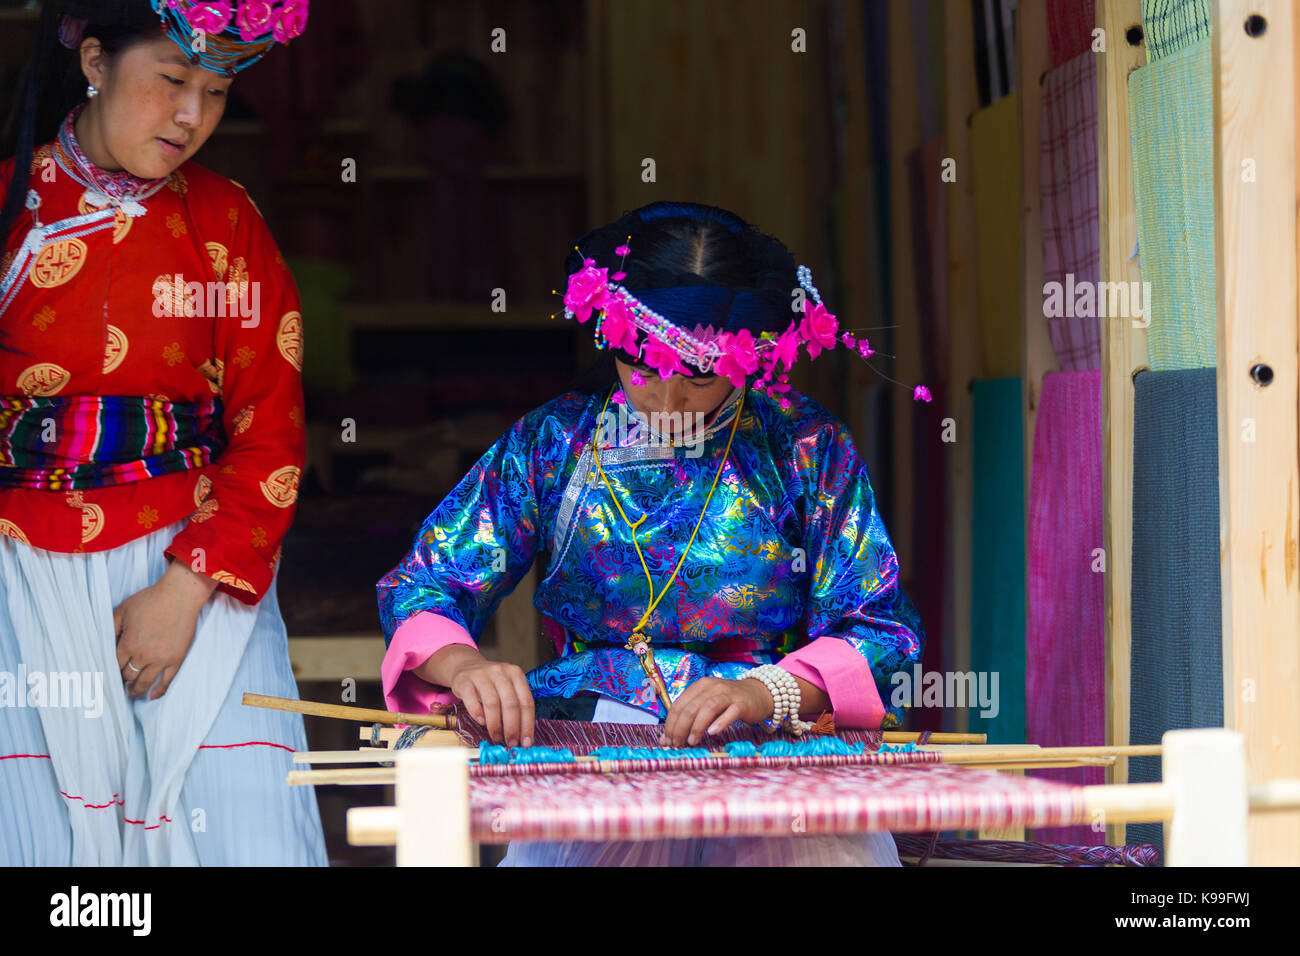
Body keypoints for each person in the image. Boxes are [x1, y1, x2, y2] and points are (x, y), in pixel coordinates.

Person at [377, 201, 929, 866]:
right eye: (642, 369)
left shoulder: (804, 446)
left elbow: (879, 628)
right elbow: (426, 583)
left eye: (698, 377)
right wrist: (466, 667)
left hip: (769, 755)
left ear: (749, 356)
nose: (668, 405)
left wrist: (764, 690)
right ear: (611, 341)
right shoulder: (557, 444)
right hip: (589, 747)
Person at [0, 0, 325, 865]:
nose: (193, 116)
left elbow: (271, 435)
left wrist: (185, 594)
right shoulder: (8, 208)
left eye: (216, 92)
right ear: (96, 61)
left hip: (197, 568)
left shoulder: (226, 223)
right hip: (15, 574)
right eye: (174, 81)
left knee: (235, 829)